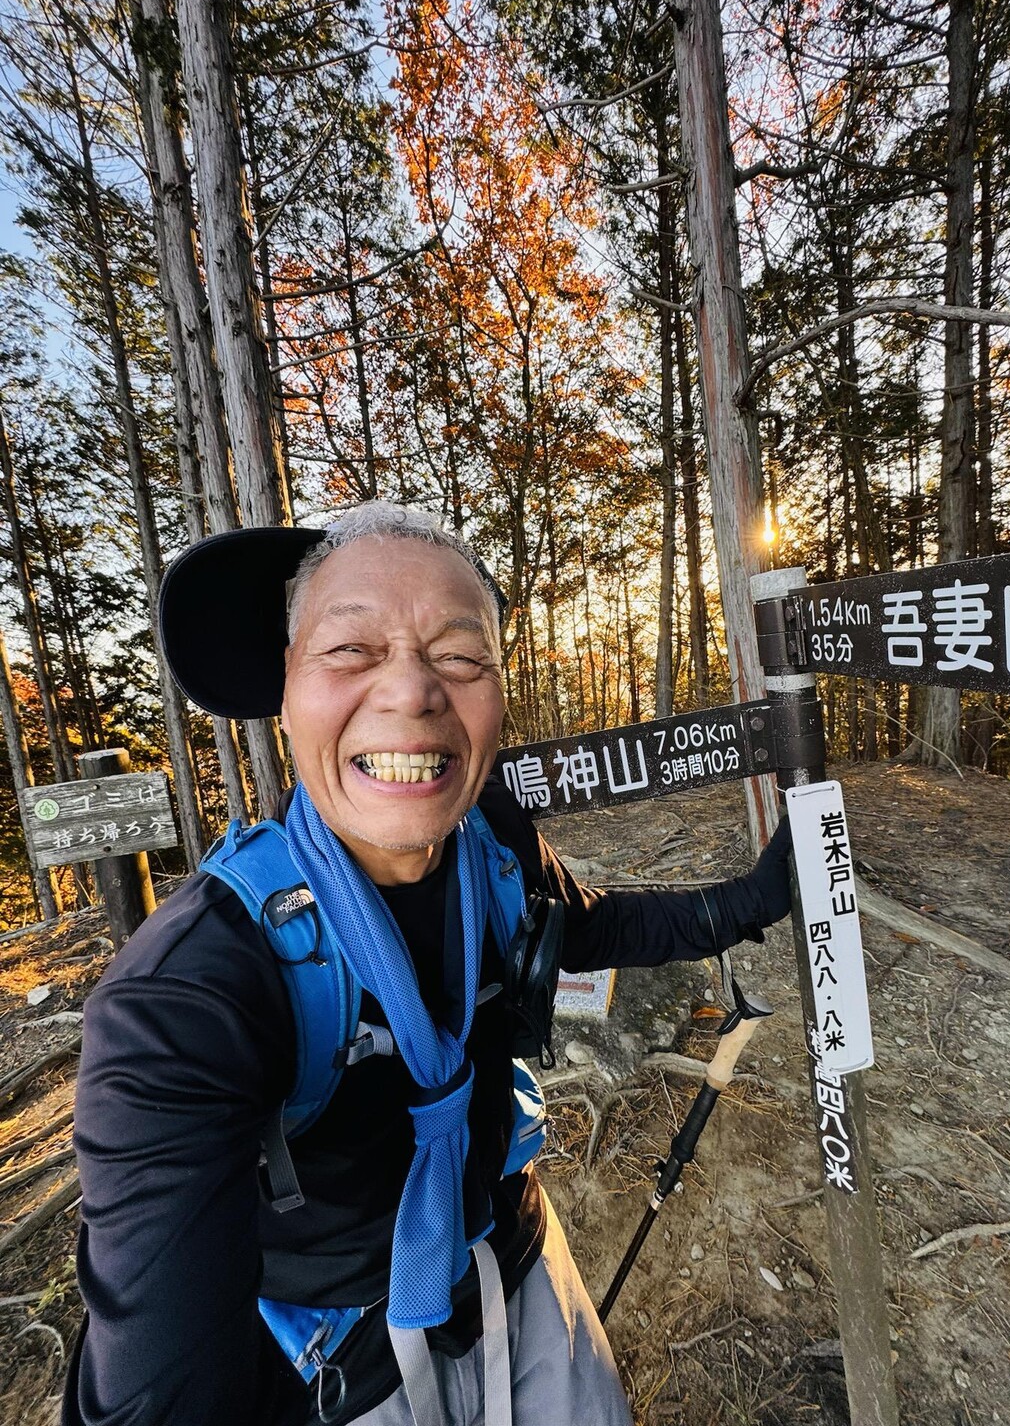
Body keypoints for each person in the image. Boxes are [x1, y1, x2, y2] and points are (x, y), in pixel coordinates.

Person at [62, 502, 793, 1426]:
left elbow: (592, 929)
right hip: (337, 1358)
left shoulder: (488, 842)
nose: (412, 692)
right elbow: (157, 1386)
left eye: (458, 655)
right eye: (350, 651)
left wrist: (754, 900)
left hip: (509, 1252)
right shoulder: (188, 994)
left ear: (495, 693)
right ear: (283, 690)